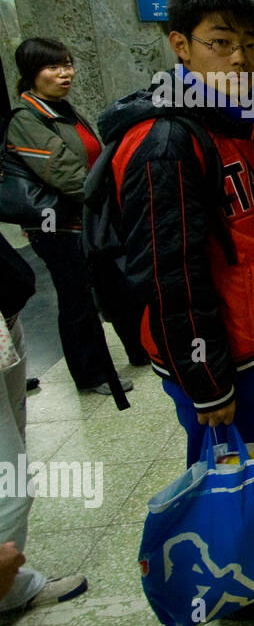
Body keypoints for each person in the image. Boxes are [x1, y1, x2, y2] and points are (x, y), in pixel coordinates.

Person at [98, 0, 254, 626]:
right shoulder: (166, 142)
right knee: (228, 463)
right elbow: (174, 276)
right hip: (221, 357)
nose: (240, 60)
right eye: (220, 43)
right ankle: (246, 591)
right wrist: (205, 381)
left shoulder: (227, 121)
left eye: (250, 45)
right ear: (180, 47)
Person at [6, 38, 144, 395]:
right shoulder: (26, 117)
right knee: (77, 297)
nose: (65, 73)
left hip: (89, 216)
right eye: (53, 67)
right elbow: (64, 172)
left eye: (67, 64)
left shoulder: (61, 108)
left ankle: (138, 349)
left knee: (115, 285)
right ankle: (91, 373)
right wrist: (108, 197)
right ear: (31, 74)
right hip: (57, 225)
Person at [0, 231, 88, 614]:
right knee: (11, 485)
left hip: (5, 314)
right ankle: (10, 588)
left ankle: (11, 581)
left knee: (15, 452)